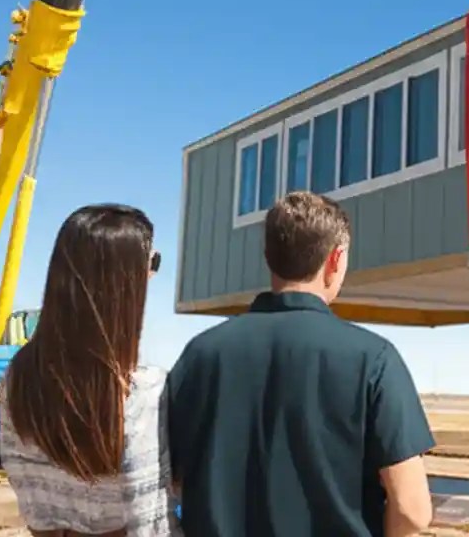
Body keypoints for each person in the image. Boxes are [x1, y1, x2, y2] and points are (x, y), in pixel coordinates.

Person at [167, 191, 434, 537]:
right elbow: (412, 510)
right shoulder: (375, 359)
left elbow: (171, 479)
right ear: (335, 260)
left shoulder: (199, 355)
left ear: (268, 257)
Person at [0, 204, 178, 536]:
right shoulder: (148, 391)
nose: (152, 274)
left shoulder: (17, 379)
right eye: (152, 262)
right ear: (124, 279)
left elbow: (25, 489)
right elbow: (161, 506)